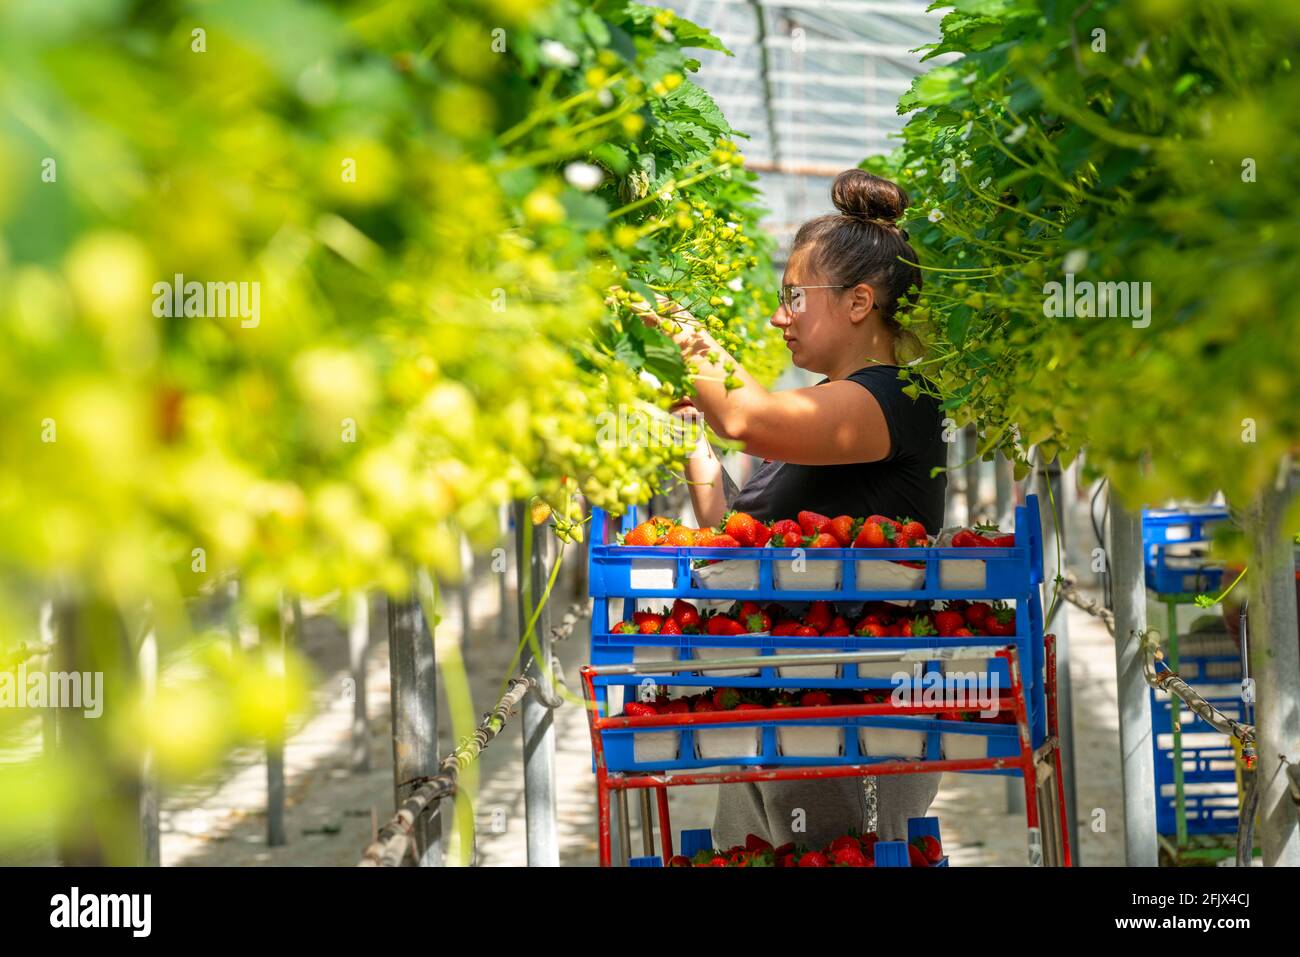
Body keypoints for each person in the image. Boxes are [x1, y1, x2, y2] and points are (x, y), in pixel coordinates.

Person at [653, 168, 947, 850]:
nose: (778, 317)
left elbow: (747, 418)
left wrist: (673, 322)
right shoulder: (825, 405)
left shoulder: (894, 400)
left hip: (850, 719)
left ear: (858, 302)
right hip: (784, 696)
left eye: (794, 298)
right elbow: (734, 536)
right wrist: (690, 442)